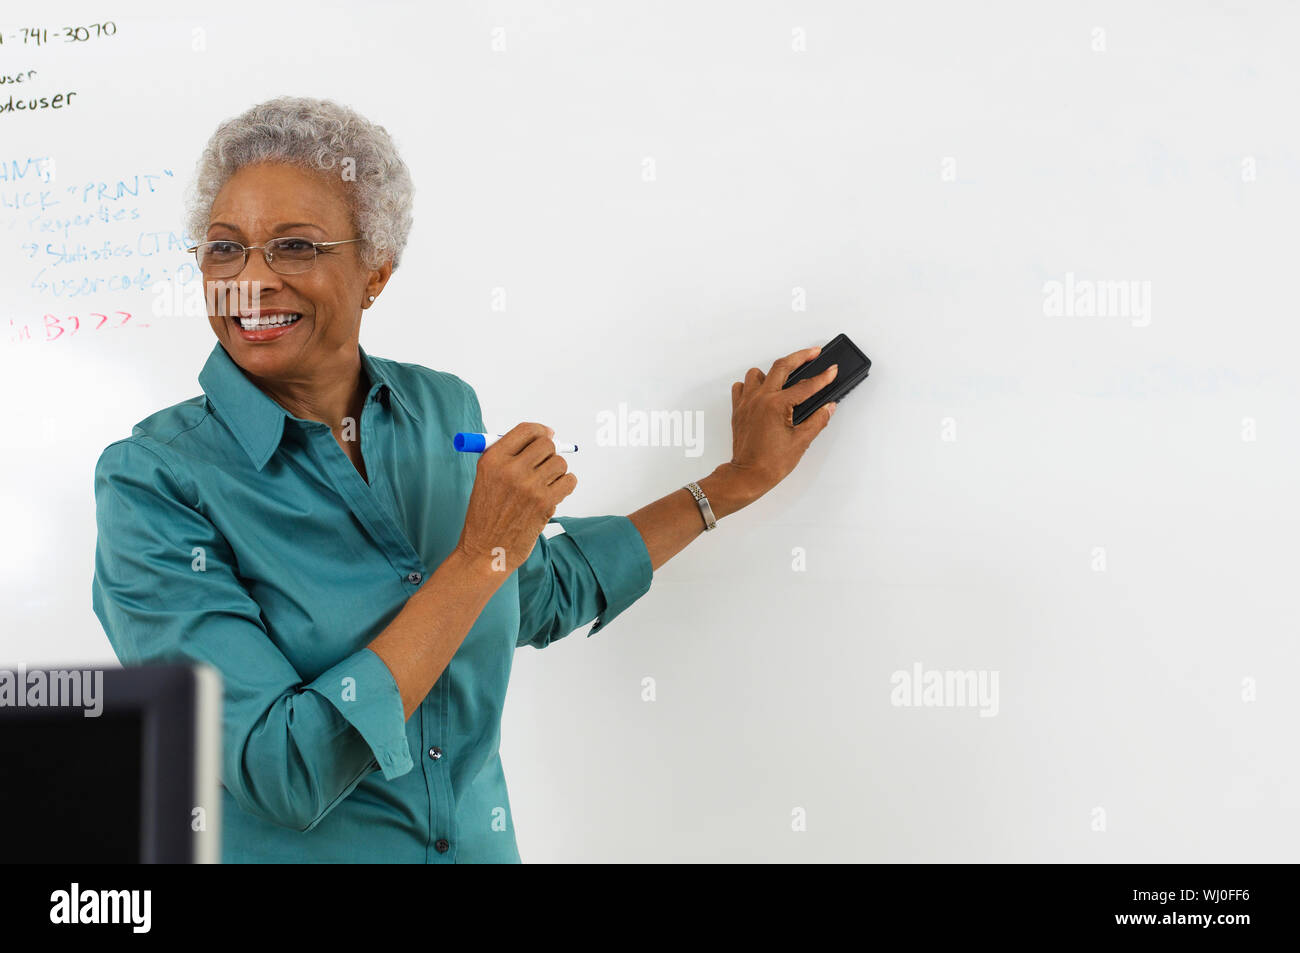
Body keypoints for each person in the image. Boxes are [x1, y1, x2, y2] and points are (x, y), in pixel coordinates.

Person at [91, 95, 839, 863]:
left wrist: (738, 479)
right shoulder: (153, 482)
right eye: (224, 249)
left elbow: (534, 589)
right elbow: (280, 768)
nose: (249, 280)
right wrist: (479, 553)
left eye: (294, 247)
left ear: (375, 270)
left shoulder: (441, 408)